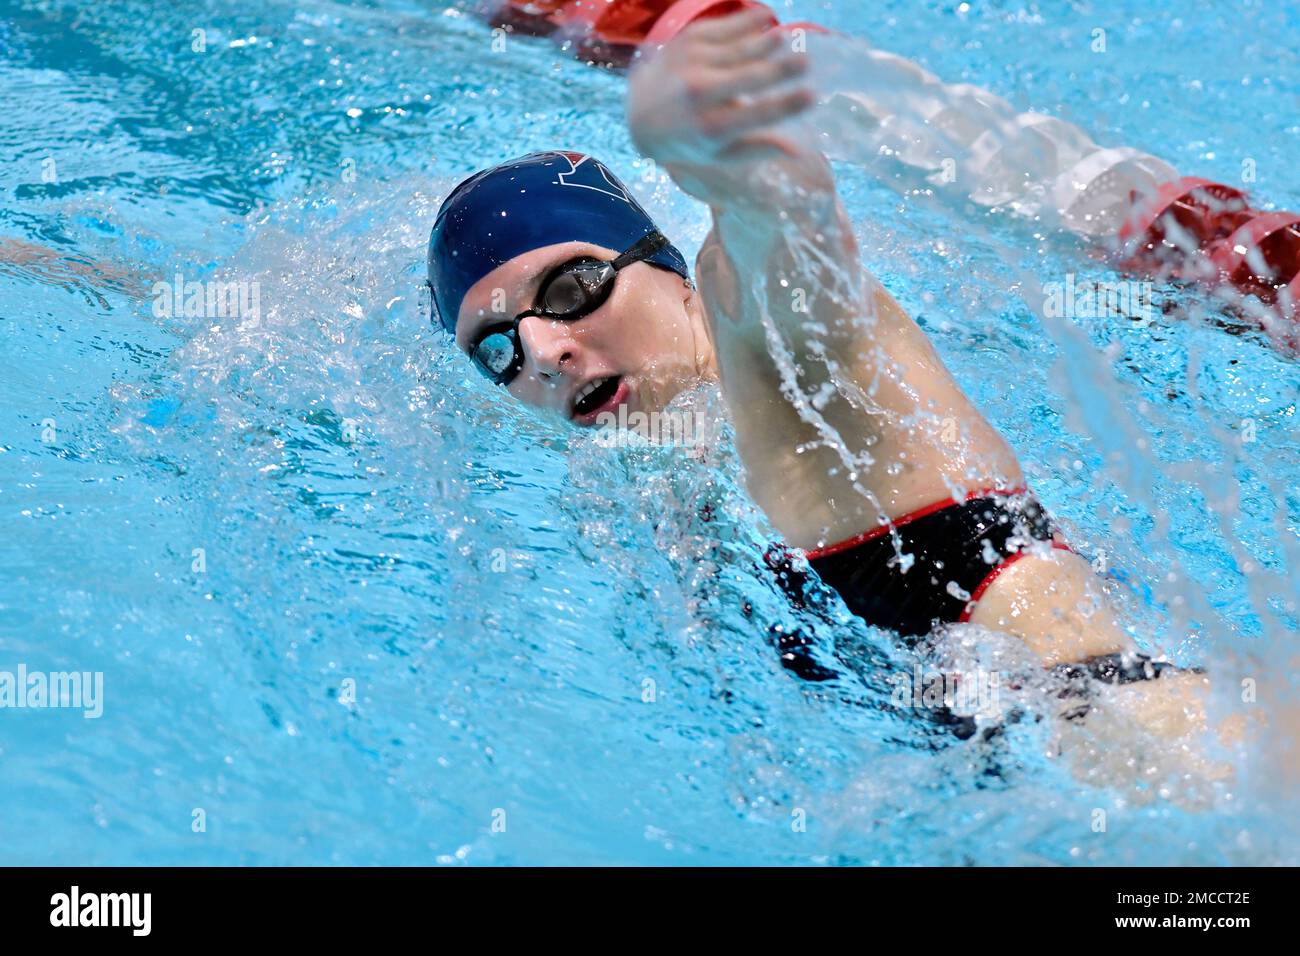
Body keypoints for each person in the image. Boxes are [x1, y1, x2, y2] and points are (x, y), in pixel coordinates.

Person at [427, 10, 1227, 753]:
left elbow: (781, 218)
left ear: (670, 273)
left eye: (570, 290)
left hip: (1128, 727)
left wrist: (731, 143)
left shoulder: (772, 340)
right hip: (1020, 765)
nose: (541, 352)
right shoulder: (660, 469)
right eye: (496, 350)